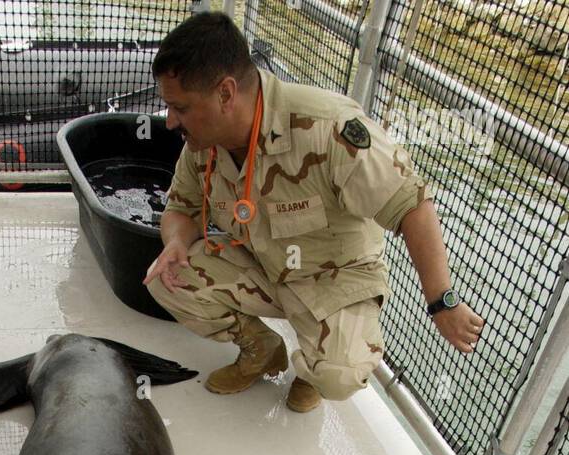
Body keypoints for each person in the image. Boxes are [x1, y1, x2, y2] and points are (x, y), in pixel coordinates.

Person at [144, 12, 484, 412]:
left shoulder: (328, 127)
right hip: (264, 265)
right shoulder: (205, 143)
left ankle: (311, 370)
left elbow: (412, 204)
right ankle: (262, 349)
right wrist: (176, 244)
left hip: (333, 277)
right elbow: (180, 208)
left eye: (179, 107)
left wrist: (441, 301)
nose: (169, 121)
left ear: (225, 93)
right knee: (164, 280)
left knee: (338, 374)